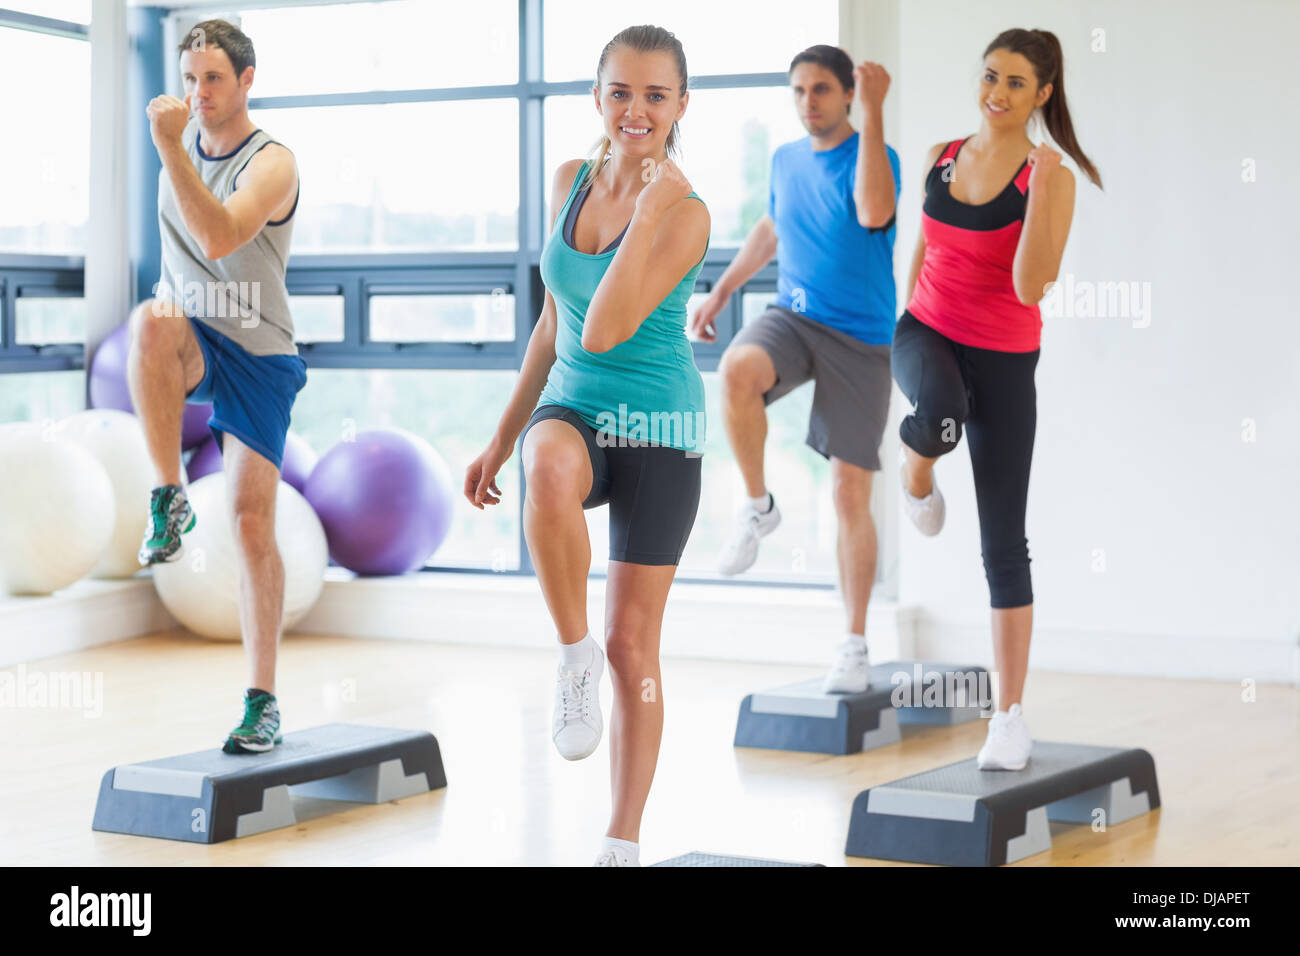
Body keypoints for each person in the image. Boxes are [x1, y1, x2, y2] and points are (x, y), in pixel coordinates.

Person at [464, 25, 710, 867]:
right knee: (550, 463)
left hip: (660, 428)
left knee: (633, 648)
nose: (635, 111)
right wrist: (502, 439)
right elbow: (555, 323)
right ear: (597, 96)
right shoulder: (570, 181)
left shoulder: (686, 213)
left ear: (681, 105)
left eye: (655, 95)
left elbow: (604, 329)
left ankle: (621, 840)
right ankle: (571, 659)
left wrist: (645, 212)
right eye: (620, 92)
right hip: (573, 409)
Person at [892, 28, 1100, 770]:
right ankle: (915, 475)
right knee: (939, 418)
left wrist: (1044, 190)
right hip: (927, 333)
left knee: (1003, 544)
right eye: (989, 76)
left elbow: (1027, 287)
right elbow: (921, 249)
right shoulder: (941, 157)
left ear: (1043, 95)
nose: (996, 93)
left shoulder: (1053, 175)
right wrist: (903, 316)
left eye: (1016, 83)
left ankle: (1008, 717)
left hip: (1007, 356)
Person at [689, 45, 900, 694]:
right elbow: (771, 229)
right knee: (736, 370)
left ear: (845, 96)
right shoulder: (784, 160)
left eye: (821, 91)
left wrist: (875, 113)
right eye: (799, 91)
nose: (809, 102)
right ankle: (758, 507)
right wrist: (721, 291)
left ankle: (855, 642)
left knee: (847, 493)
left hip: (860, 339)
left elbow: (872, 213)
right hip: (794, 317)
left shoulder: (876, 156)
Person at [128, 19, 305, 754]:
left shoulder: (273, 163)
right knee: (150, 321)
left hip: (260, 352)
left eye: (214, 79)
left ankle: (261, 701)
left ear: (246, 81)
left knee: (251, 521)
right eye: (190, 77)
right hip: (196, 334)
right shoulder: (183, 143)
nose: (198, 93)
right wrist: (176, 148)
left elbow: (219, 237)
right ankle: (169, 496)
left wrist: (169, 148)